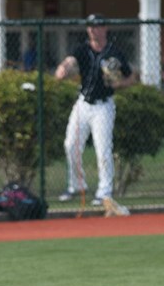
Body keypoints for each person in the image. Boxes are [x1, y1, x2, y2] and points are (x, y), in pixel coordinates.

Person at [54, 14, 136, 206]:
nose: (92, 29)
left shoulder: (114, 52)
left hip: (103, 106)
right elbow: (70, 61)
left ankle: (104, 192)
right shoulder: (82, 49)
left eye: (97, 26)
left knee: (103, 149)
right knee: (70, 145)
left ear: (105, 28)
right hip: (83, 104)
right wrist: (62, 69)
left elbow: (131, 77)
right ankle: (76, 186)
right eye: (90, 26)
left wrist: (119, 84)